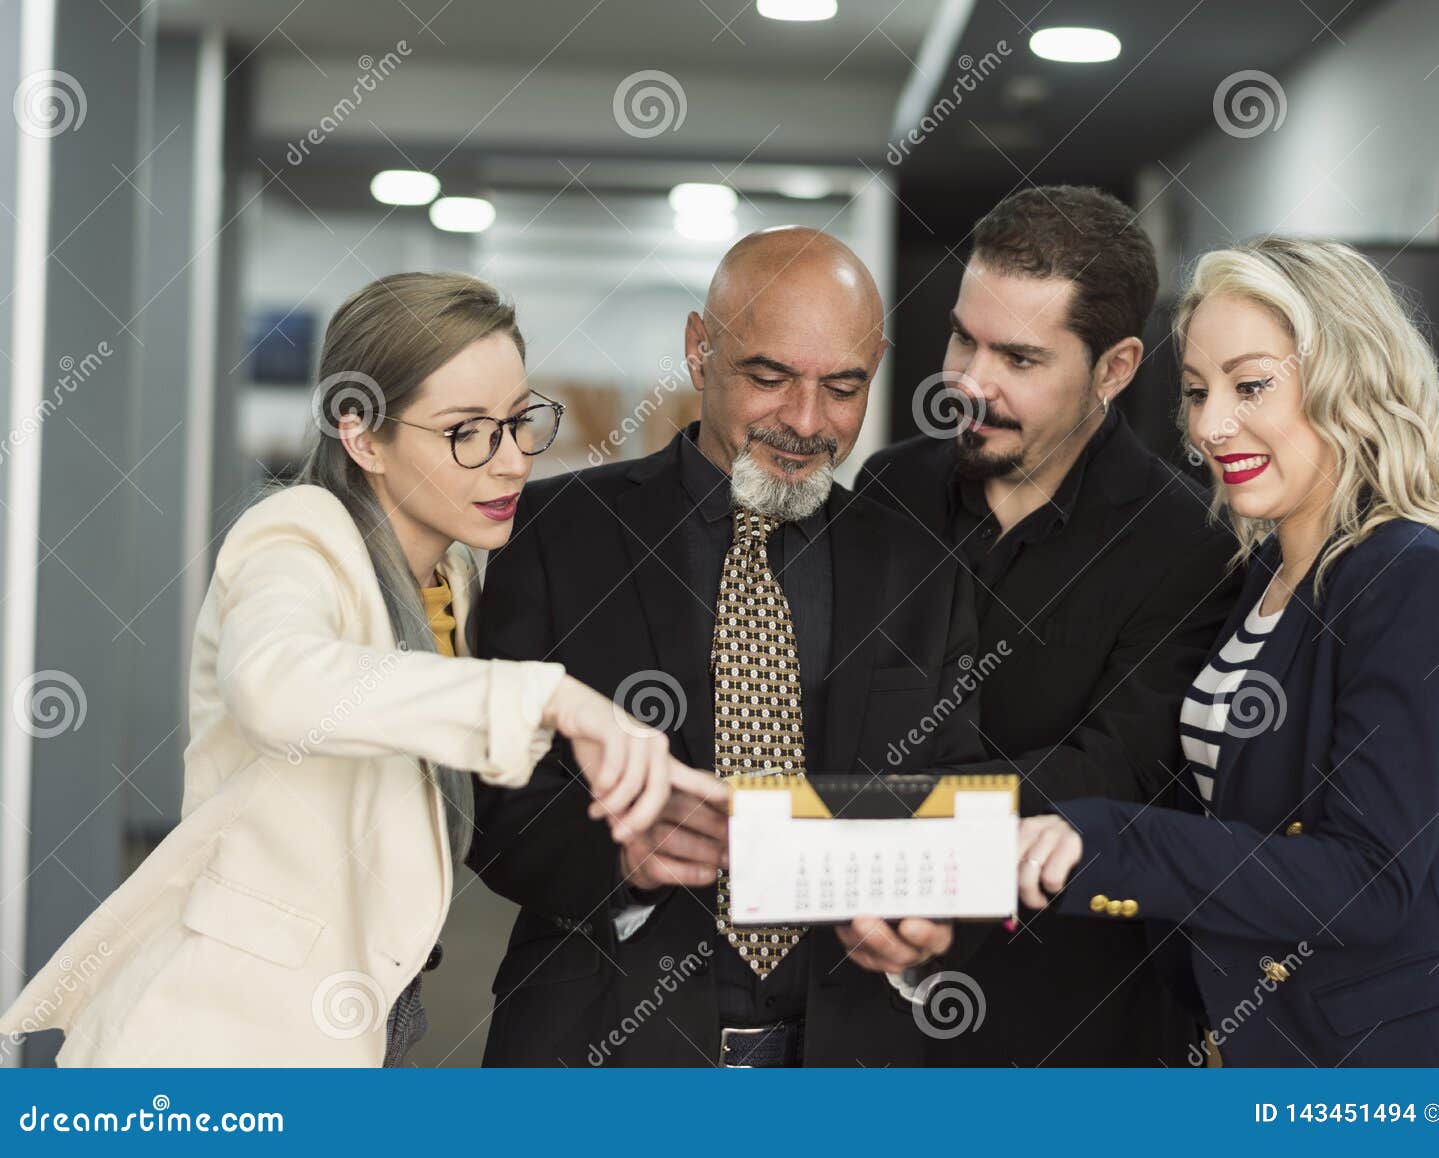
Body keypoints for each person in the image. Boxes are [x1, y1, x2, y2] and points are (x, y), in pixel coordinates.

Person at [0, 272, 715, 1066]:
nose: (511, 462)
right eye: (466, 432)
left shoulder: (457, 578)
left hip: (372, 1021)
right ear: (363, 434)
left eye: (519, 421)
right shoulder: (298, 534)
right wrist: (551, 698)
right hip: (221, 1040)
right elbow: (279, 685)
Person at [469, 227, 988, 1067]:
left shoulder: (920, 565)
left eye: (844, 387)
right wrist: (622, 861)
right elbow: (493, 810)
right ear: (699, 348)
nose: (807, 422)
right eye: (769, 376)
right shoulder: (558, 534)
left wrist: (926, 905)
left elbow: (948, 790)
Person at [1016, 238, 1439, 1067]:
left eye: (1250, 384)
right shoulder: (1264, 571)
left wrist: (1111, 842)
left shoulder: (1406, 575)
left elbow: (1371, 880)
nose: (1210, 425)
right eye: (1195, 391)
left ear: (1345, 381)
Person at [857, 185, 1239, 1066]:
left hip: (1071, 1024)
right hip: (865, 1009)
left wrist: (869, 826)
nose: (968, 380)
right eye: (964, 337)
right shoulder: (887, 488)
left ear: (1114, 368)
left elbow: (1106, 773)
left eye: (1019, 359)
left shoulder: (1189, 546)